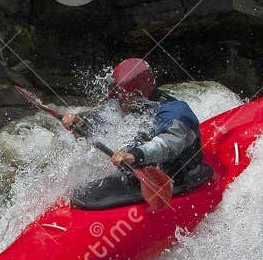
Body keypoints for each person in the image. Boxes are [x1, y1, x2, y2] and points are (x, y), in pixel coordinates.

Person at [62, 57, 213, 210]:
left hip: (180, 177)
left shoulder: (175, 112)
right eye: (117, 96)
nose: (119, 101)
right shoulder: (123, 104)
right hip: (142, 174)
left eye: (124, 97)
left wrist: (135, 155)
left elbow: (167, 144)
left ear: (141, 92)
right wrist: (81, 124)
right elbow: (100, 124)